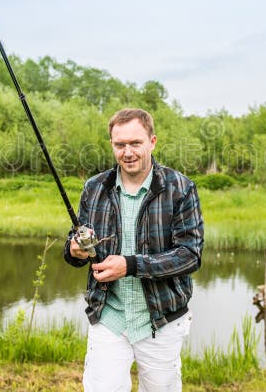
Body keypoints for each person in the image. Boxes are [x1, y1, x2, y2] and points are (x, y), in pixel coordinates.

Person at [64, 108, 204, 392]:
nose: (128, 152)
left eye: (135, 143)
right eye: (120, 144)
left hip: (162, 319)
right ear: (112, 145)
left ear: (152, 142)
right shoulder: (94, 188)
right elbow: (75, 245)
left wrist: (130, 265)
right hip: (108, 315)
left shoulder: (180, 189)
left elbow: (190, 255)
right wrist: (74, 249)